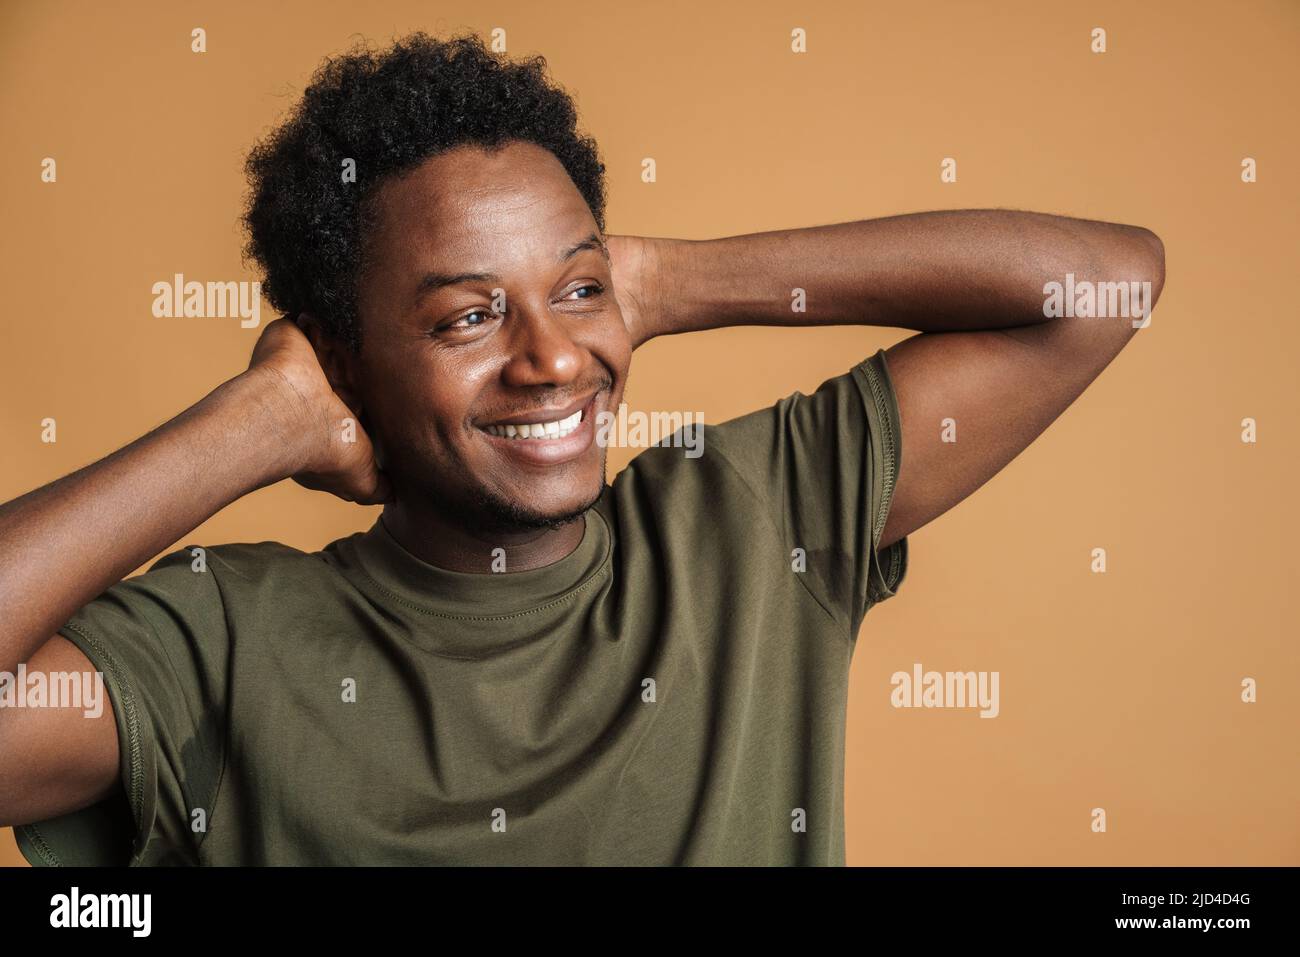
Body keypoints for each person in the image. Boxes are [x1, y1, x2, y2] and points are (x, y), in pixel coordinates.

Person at [0, 32, 1164, 865]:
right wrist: (252, 423)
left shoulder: (752, 525)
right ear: (345, 365)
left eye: (579, 291)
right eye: (468, 316)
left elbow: (1104, 286)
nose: (552, 359)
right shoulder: (219, 638)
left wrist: (661, 280)